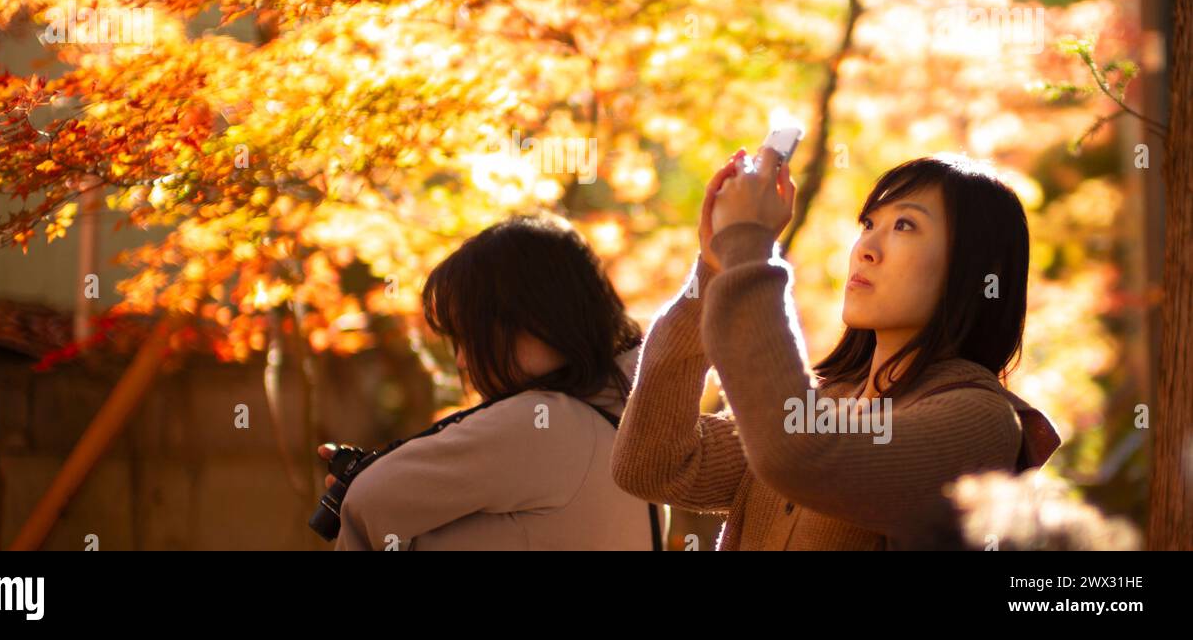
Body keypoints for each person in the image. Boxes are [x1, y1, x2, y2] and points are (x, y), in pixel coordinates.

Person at [612, 146, 1061, 549]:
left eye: (905, 225)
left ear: (975, 268)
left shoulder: (981, 421)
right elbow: (653, 464)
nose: (867, 246)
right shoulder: (828, 403)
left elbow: (805, 457)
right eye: (868, 223)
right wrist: (714, 267)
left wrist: (751, 248)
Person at [322, 214, 663, 550]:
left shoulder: (544, 421)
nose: (461, 361)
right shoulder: (631, 435)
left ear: (534, 316)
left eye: (471, 335)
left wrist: (362, 482)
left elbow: (368, 501)